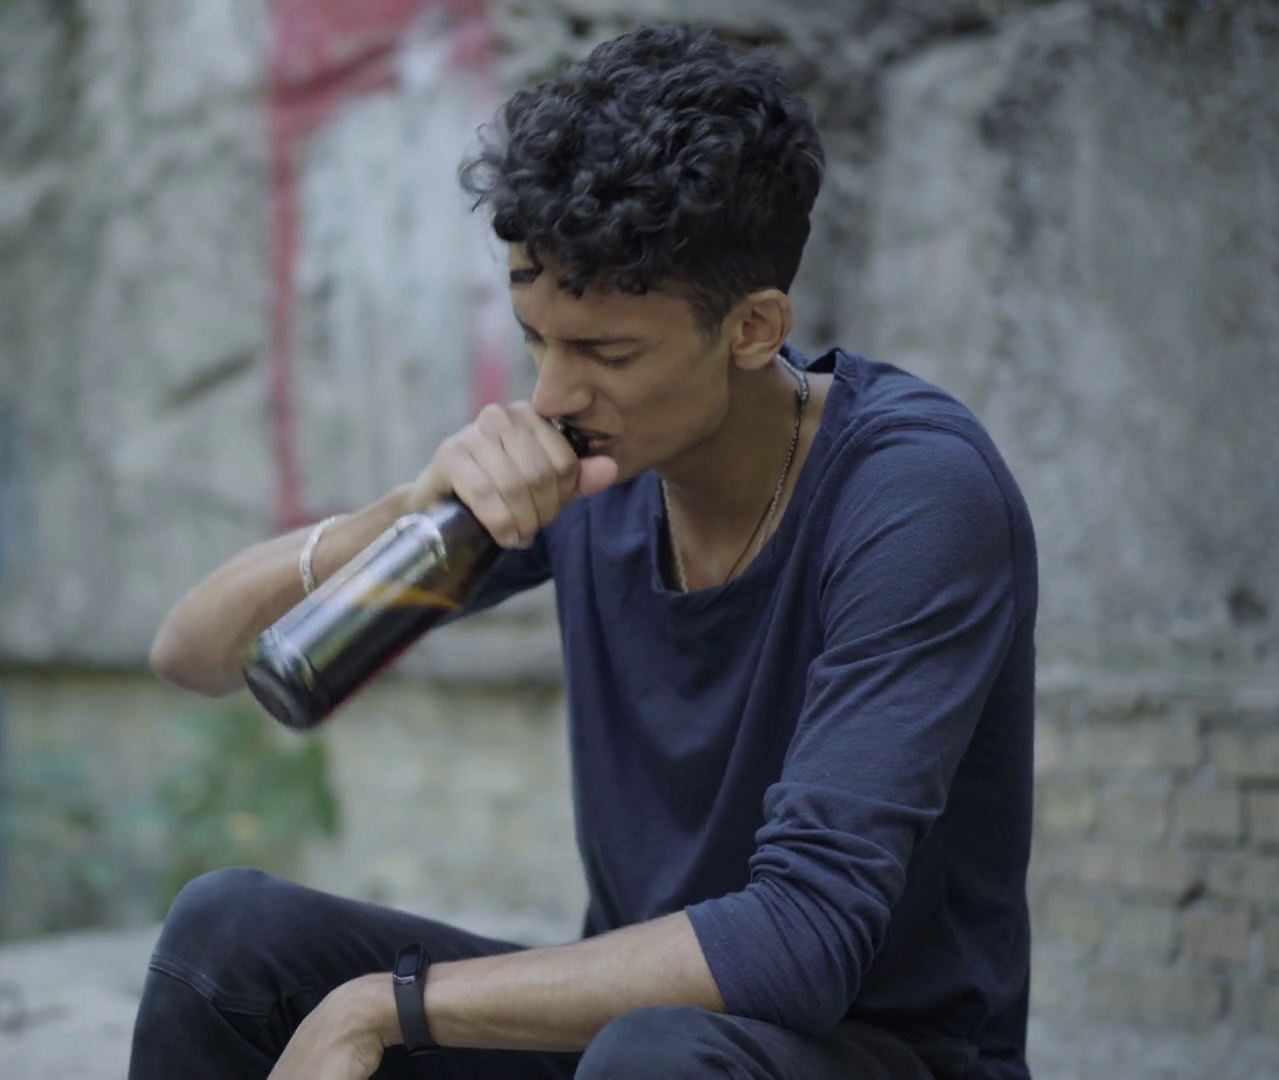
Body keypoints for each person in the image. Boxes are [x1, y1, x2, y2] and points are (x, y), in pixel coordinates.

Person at [132, 23, 1037, 1080]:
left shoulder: (915, 498)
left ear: (754, 326)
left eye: (606, 352)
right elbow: (190, 654)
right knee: (228, 943)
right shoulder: (589, 469)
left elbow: (800, 943)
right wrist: (408, 512)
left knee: (648, 1056)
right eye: (535, 338)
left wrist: (389, 1008)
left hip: (872, 1055)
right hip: (642, 1042)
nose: (553, 394)